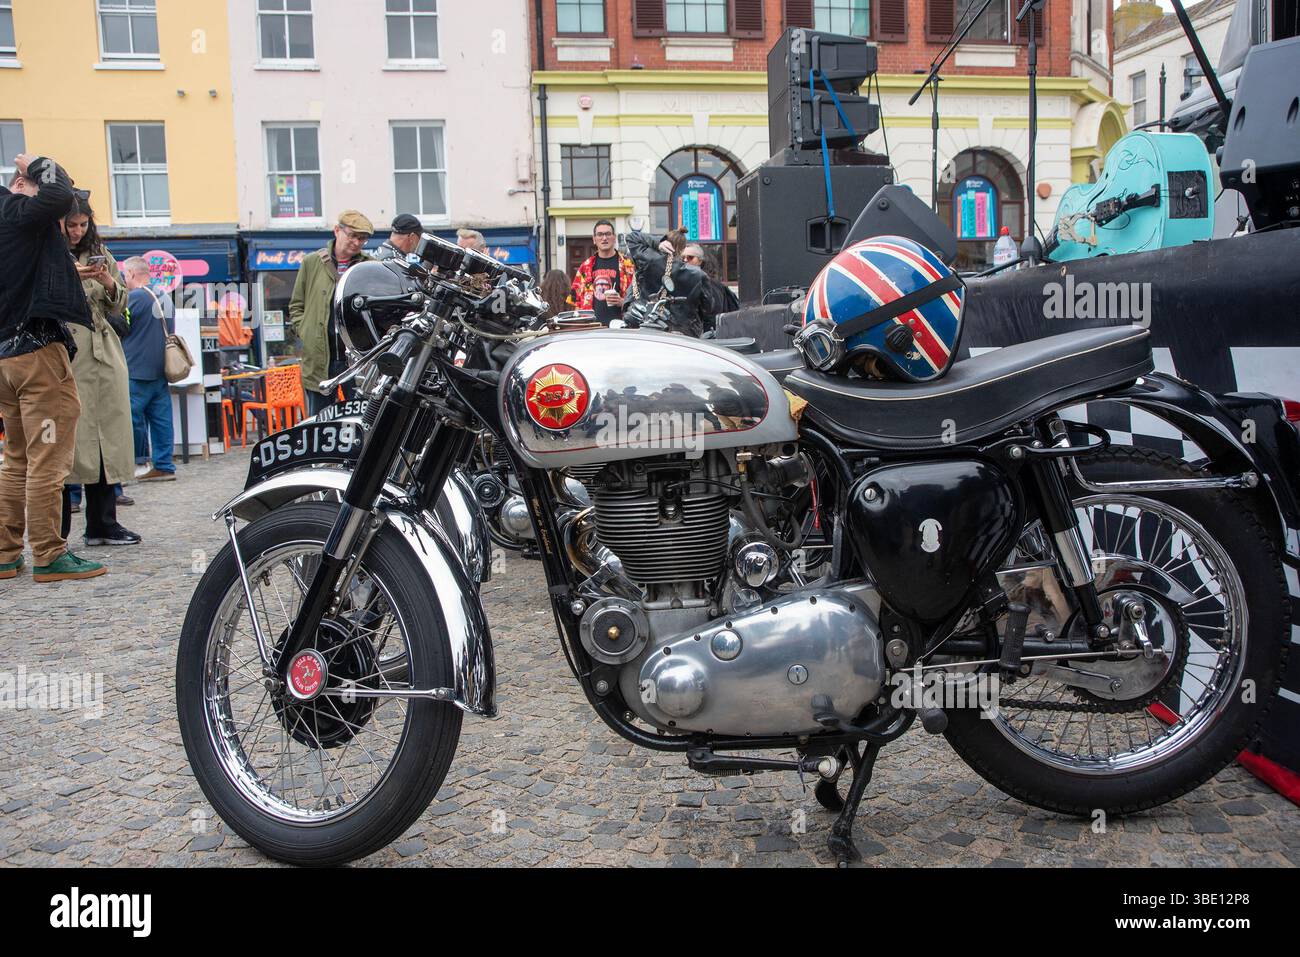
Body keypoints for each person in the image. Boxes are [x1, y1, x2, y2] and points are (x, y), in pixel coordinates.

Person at [0, 154, 106, 582]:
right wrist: (42, 164)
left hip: (6, 358)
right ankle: (48, 553)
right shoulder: (19, 209)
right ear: (23, 184)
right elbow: (60, 195)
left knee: (17, 457)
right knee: (49, 456)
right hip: (39, 357)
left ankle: (6, 553)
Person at [63, 195, 140, 547]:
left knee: (109, 432)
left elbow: (120, 300)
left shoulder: (99, 251)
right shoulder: (46, 253)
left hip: (104, 351)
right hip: (66, 351)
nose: (78, 232)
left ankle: (103, 523)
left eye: (83, 224)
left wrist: (108, 281)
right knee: (69, 439)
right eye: (71, 224)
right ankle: (58, 529)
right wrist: (71, 274)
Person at [289, 210, 373, 416]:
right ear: (337, 230)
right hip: (319, 359)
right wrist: (306, 332)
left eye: (362, 238)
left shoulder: (369, 266)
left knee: (359, 419)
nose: (356, 242)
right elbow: (296, 306)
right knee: (319, 421)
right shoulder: (312, 262)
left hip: (356, 360)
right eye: (352, 235)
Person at [120, 257, 176, 483]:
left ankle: (140, 461)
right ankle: (164, 465)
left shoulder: (134, 298)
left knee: (133, 419)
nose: (124, 279)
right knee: (162, 419)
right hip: (161, 368)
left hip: (136, 369)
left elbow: (119, 325)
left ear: (132, 273)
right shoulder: (165, 297)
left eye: (125, 275)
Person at [625, 228, 713, 338]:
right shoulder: (699, 275)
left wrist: (657, 242)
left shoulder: (649, 261)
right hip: (685, 334)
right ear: (682, 249)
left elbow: (632, 237)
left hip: (648, 327)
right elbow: (707, 311)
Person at [570, 220, 635, 327]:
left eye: (608, 234)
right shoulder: (585, 267)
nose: (604, 238)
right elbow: (575, 303)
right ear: (594, 239)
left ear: (614, 238)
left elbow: (640, 300)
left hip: (622, 328)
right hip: (592, 329)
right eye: (600, 234)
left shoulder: (628, 266)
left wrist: (623, 302)